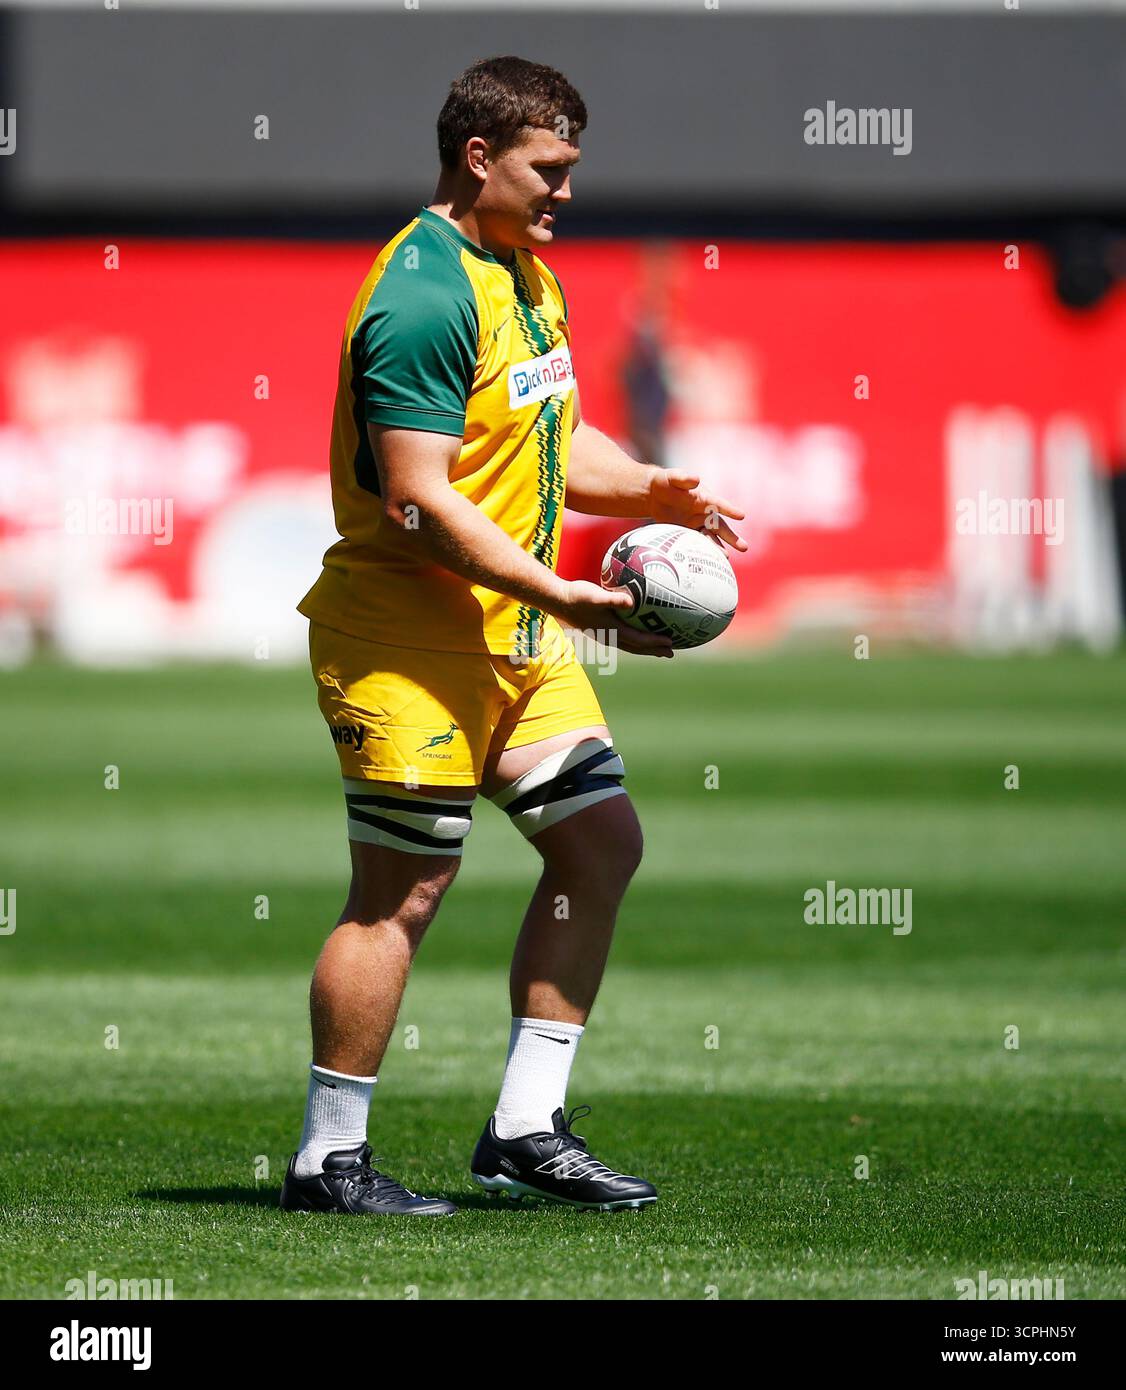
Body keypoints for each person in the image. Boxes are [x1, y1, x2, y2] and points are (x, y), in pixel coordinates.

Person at [282, 55, 744, 1216]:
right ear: (478, 156)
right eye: (551, 167)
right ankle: (326, 1159)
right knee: (404, 888)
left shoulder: (528, 277)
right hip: (404, 635)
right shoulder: (426, 289)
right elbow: (417, 498)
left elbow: (549, 440)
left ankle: (525, 1129)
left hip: (511, 638)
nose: (566, 192)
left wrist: (650, 492)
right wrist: (562, 594)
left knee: (600, 845)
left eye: (572, 169)